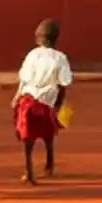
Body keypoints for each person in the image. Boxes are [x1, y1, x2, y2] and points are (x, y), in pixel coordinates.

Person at [12, 19, 74, 185]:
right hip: (47, 101)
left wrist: (16, 97)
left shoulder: (32, 55)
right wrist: (58, 105)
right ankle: (49, 163)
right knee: (48, 134)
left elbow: (23, 80)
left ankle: (28, 169)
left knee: (27, 137)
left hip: (28, 99)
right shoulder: (60, 58)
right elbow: (63, 84)